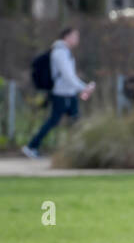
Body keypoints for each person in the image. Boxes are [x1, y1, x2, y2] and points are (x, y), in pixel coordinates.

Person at [23, 28, 95, 159]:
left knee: (75, 120)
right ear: (66, 37)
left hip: (69, 92)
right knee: (56, 121)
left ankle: (78, 150)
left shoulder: (65, 52)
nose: (77, 39)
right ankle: (32, 146)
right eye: (75, 36)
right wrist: (83, 87)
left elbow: (70, 76)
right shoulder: (60, 52)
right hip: (61, 93)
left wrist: (81, 88)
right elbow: (68, 76)